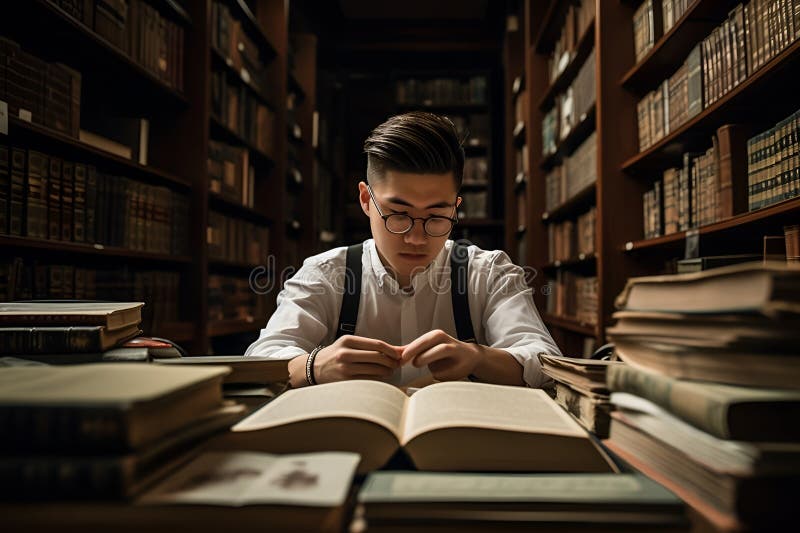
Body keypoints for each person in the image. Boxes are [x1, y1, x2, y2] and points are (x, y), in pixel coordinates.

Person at [245, 111, 561, 388]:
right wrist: (314, 366)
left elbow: (545, 362)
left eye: (437, 216)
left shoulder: (490, 272)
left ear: (455, 209)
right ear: (366, 200)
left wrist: (478, 358)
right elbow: (262, 359)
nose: (416, 238)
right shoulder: (325, 274)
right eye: (399, 215)